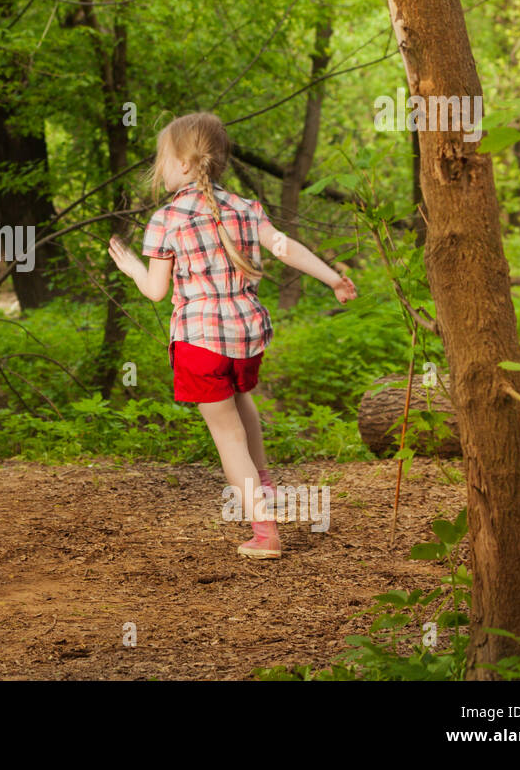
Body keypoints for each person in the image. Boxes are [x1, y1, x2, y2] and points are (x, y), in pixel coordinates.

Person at [108, 112, 357, 558]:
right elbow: (283, 247)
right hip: (246, 337)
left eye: (163, 159)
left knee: (229, 438)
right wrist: (332, 278)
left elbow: (155, 291)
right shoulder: (245, 207)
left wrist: (132, 268)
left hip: (200, 341)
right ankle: (266, 486)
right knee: (243, 401)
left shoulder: (166, 219)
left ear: (185, 164)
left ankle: (264, 534)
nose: (160, 168)